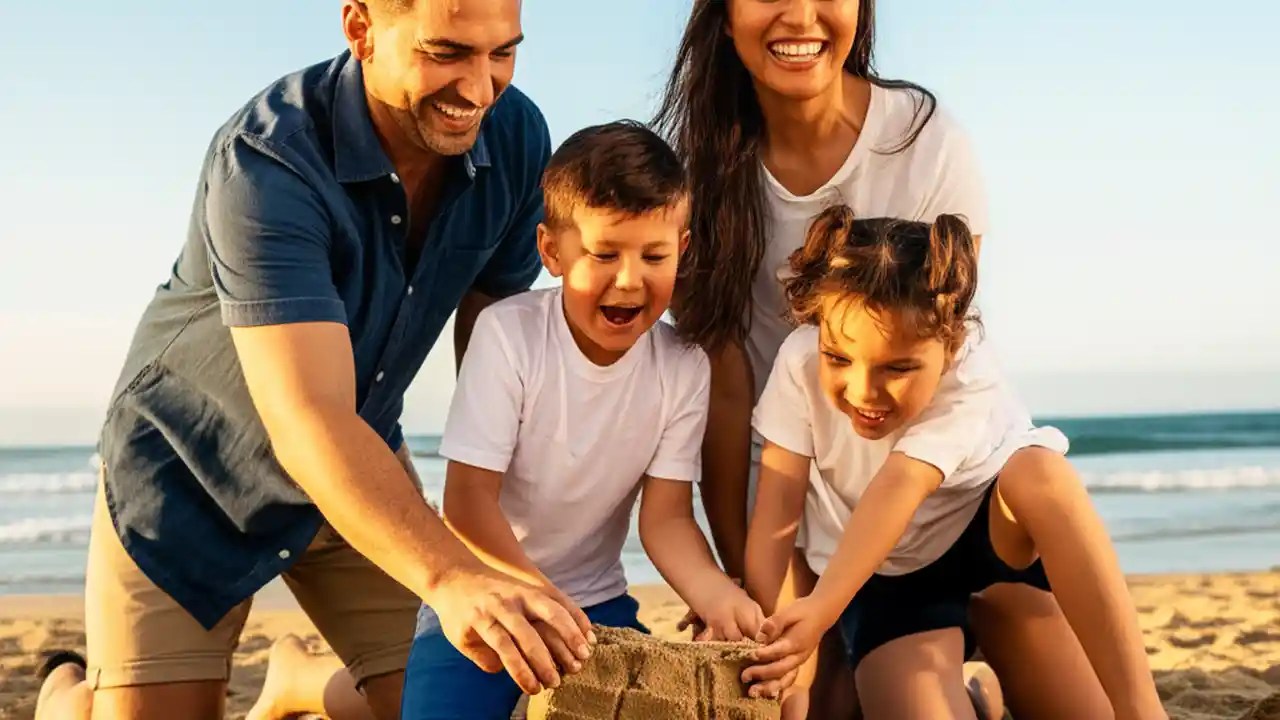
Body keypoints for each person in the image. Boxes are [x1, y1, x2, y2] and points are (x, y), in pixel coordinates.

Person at [32, 2, 593, 719]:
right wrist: (453, 575)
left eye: (503, 54)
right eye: (447, 52)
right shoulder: (267, 159)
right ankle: (66, 694)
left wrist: (508, 536)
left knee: (463, 698)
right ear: (360, 29)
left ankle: (298, 683)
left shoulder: (514, 136)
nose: (479, 89)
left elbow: (498, 348)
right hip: (190, 475)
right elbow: (308, 418)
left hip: (359, 461)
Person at [651, 1, 1107, 716]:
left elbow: (945, 344)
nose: (799, 13)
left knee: (1039, 490)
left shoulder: (924, 142)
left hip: (965, 503)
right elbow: (730, 396)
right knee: (832, 698)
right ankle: (968, 695)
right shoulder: (704, 175)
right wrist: (743, 587)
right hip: (832, 511)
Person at [398, 120, 765, 720]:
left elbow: (667, 519)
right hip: (490, 595)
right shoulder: (510, 335)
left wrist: (718, 594)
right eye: (604, 253)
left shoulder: (683, 365)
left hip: (598, 608)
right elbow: (467, 505)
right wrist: (539, 599)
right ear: (552, 251)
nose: (629, 278)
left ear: (683, 249)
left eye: (654, 255)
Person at [738, 208, 1167, 719]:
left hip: (989, 543)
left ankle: (1143, 710)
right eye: (838, 358)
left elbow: (902, 482)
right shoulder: (798, 362)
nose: (863, 390)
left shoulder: (970, 364)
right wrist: (766, 646)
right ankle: (976, 695)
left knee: (1042, 472)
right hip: (884, 576)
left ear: (953, 340)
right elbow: (775, 518)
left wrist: (821, 608)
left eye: (898, 368)